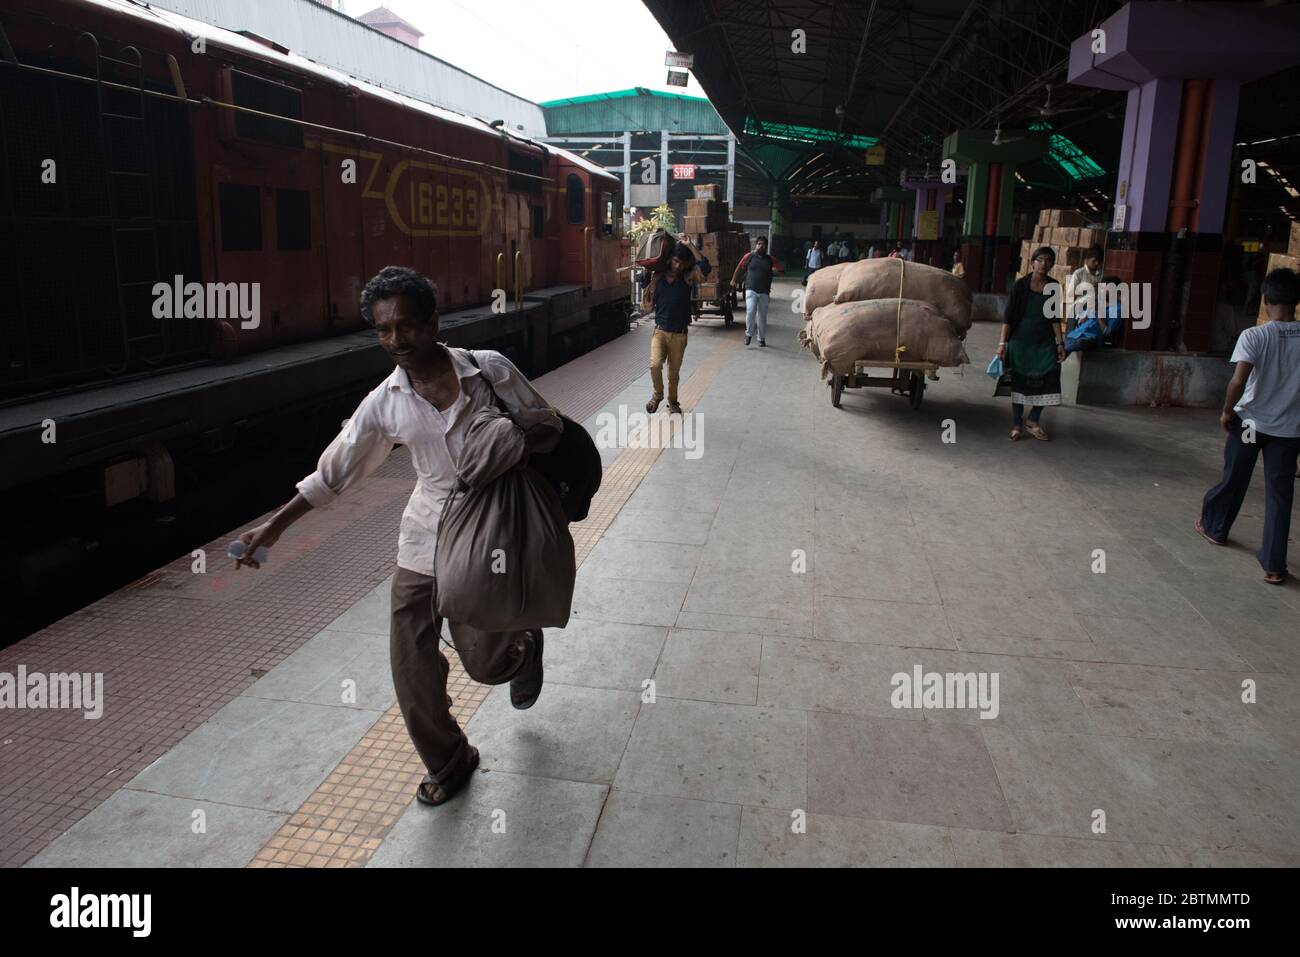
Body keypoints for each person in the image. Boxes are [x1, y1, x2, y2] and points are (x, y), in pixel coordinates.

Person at [233, 266, 563, 807]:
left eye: (405, 327)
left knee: (484, 665)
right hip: (424, 538)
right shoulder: (384, 402)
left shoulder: (489, 372)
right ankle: (451, 758)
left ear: (433, 322)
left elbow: (548, 424)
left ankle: (523, 651)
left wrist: (510, 439)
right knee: (409, 661)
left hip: (491, 534)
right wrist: (272, 528)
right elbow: (333, 474)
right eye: (382, 330)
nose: (394, 341)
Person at [1196, 268, 1300, 585]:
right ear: (1296, 301)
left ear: (1265, 300)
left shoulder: (1255, 336)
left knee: (1235, 476)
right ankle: (1274, 565)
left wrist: (1227, 411)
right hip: (1288, 432)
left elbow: (1238, 381)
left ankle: (1215, 528)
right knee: (1281, 495)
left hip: (1251, 424)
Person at [998, 246, 1066, 441]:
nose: (1044, 264)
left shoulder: (1054, 286)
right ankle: (1017, 424)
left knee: (1050, 375)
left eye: (1048, 261)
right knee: (1019, 381)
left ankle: (1033, 420)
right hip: (1020, 341)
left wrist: (1060, 343)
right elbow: (1008, 317)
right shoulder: (1020, 285)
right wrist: (1002, 344)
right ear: (1032, 262)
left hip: (1044, 342)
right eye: (1041, 260)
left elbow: (1055, 318)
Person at [642, 241, 704, 415]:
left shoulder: (687, 277)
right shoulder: (657, 278)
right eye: (675, 261)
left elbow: (705, 267)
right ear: (669, 259)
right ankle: (658, 395)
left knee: (673, 374)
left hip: (679, 334)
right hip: (660, 331)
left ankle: (673, 402)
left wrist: (691, 245)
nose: (677, 266)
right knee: (654, 365)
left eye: (681, 263)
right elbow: (644, 281)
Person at [731, 235, 775, 347]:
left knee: (762, 316)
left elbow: (779, 268)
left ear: (766, 246)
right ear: (756, 245)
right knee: (750, 311)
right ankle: (749, 334)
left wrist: (778, 270)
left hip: (764, 292)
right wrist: (734, 280)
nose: (761, 246)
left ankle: (761, 338)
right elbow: (740, 267)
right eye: (759, 244)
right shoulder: (749, 256)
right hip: (751, 289)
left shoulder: (769, 259)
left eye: (763, 244)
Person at [1066, 245, 1104, 321]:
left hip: (1095, 309)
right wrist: (1088, 289)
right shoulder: (1079, 273)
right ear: (1087, 259)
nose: (1097, 263)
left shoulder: (1101, 274)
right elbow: (1070, 293)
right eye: (1094, 261)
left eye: (1099, 261)